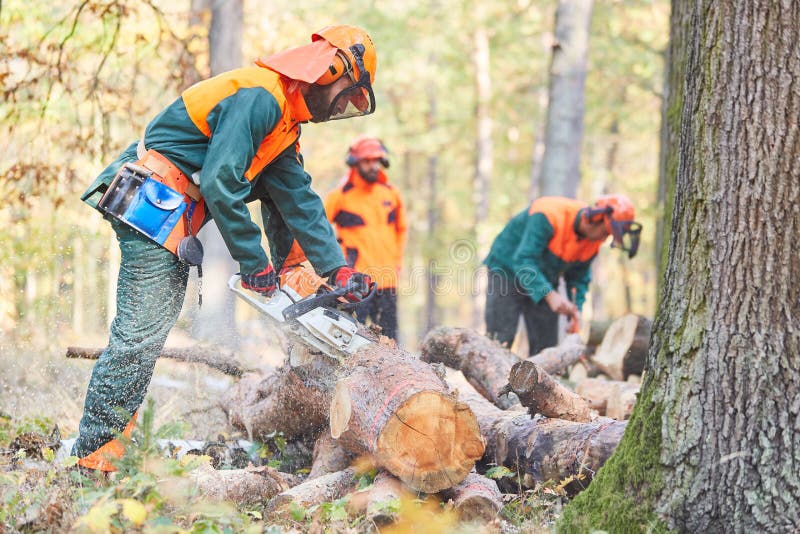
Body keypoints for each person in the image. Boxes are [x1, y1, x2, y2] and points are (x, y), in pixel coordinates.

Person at [74, 25, 378, 471]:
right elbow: (220, 179)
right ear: (329, 69)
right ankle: (95, 452)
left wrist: (336, 271)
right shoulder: (261, 97)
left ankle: (115, 441)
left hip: (171, 210)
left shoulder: (284, 125)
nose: (340, 108)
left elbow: (298, 198)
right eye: (345, 94)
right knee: (141, 333)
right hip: (150, 198)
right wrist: (254, 262)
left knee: (148, 331)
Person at [483, 195, 641, 356]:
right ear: (596, 219)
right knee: (501, 337)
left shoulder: (593, 243)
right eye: (606, 232)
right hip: (507, 269)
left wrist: (575, 310)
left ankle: (538, 379)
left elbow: (579, 278)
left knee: (546, 345)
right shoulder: (548, 215)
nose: (605, 238)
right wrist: (550, 295)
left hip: (543, 276)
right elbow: (523, 261)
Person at [324, 137, 407, 340]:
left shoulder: (391, 194)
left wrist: (396, 262)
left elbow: (401, 230)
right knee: (351, 337)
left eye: (376, 160)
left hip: (387, 282)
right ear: (355, 162)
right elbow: (318, 227)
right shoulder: (341, 196)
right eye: (367, 161)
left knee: (390, 342)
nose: (372, 166)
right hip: (355, 283)